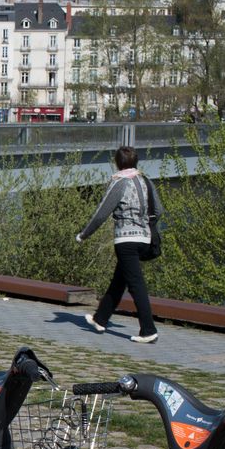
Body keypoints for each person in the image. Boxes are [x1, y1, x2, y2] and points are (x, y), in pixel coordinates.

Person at [77, 145, 161, 344]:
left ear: (117, 162)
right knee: (119, 281)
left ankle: (148, 330)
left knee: (136, 285)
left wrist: (84, 234)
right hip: (144, 239)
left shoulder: (119, 183)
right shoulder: (146, 181)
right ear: (136, 161)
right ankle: (100, 319)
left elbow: (101, 213)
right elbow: (158, 210)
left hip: (126, 241)